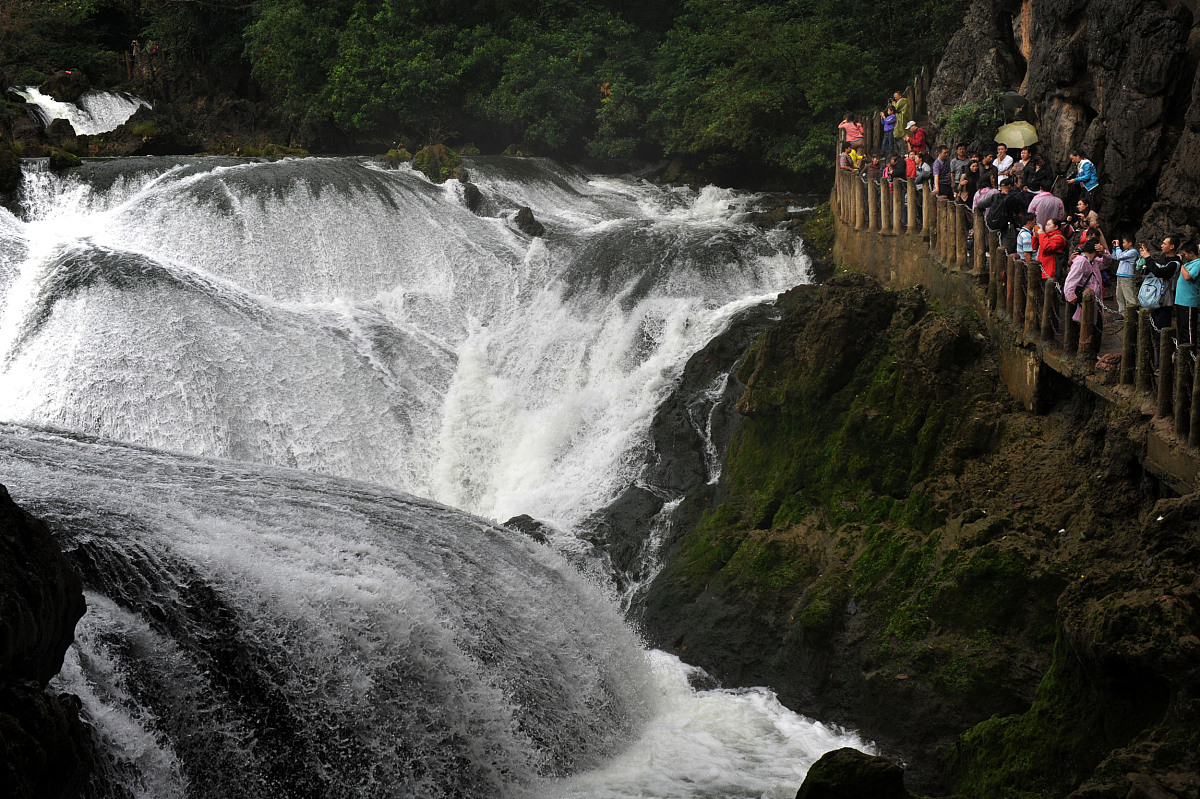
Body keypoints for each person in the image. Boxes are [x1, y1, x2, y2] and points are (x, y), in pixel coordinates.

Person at [1139, 235, 1182, 352]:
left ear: (1172, 247)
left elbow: (1159, 272)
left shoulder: (1175, 263)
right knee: (1149, 335)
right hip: (1152, 300)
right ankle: (1150, 363)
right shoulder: (1161, 259)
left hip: (1165, 303)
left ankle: (1161, 365)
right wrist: (1144, 258)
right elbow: (1146, 270)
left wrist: (1148, 258)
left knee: (1161, 335)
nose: (1161, 245)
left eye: (1164, 243)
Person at [1065, 240, 1106, 333]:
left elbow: (1106, 262)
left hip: (1094, 299)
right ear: (1095, 251)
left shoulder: (1094, 261)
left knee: (1093, 326)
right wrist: (1071, 296)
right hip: (1084, 300)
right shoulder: (1081, 262)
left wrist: (1104, 252)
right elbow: (1071, 280)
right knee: (1085, 327)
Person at [1175, 242, 1200, 345]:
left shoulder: (1198, 263)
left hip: (1189, 302)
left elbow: (1188, 277)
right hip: (1180, 301)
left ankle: (1190, 356)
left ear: (1192, 253)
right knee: (1181, 330)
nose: (1184, 256)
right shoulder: (1187, 264)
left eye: (1185, 254)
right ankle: (1183, 355)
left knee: (1188, 331)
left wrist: (1180, 263)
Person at [1111, 236, 1139, 313]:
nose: (1122, 244)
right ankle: (1122, 313)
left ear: (1130, 243)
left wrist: (1117, 247)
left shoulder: (1133, 252)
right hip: (1120, 275)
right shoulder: (1125, 251)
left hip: (1126, 277)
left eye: (1124, 242)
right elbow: (1115, 257)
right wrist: (1114, 248)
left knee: (1128, 296)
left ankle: (1133, 314)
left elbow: (1120, 257)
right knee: (1119, 296)